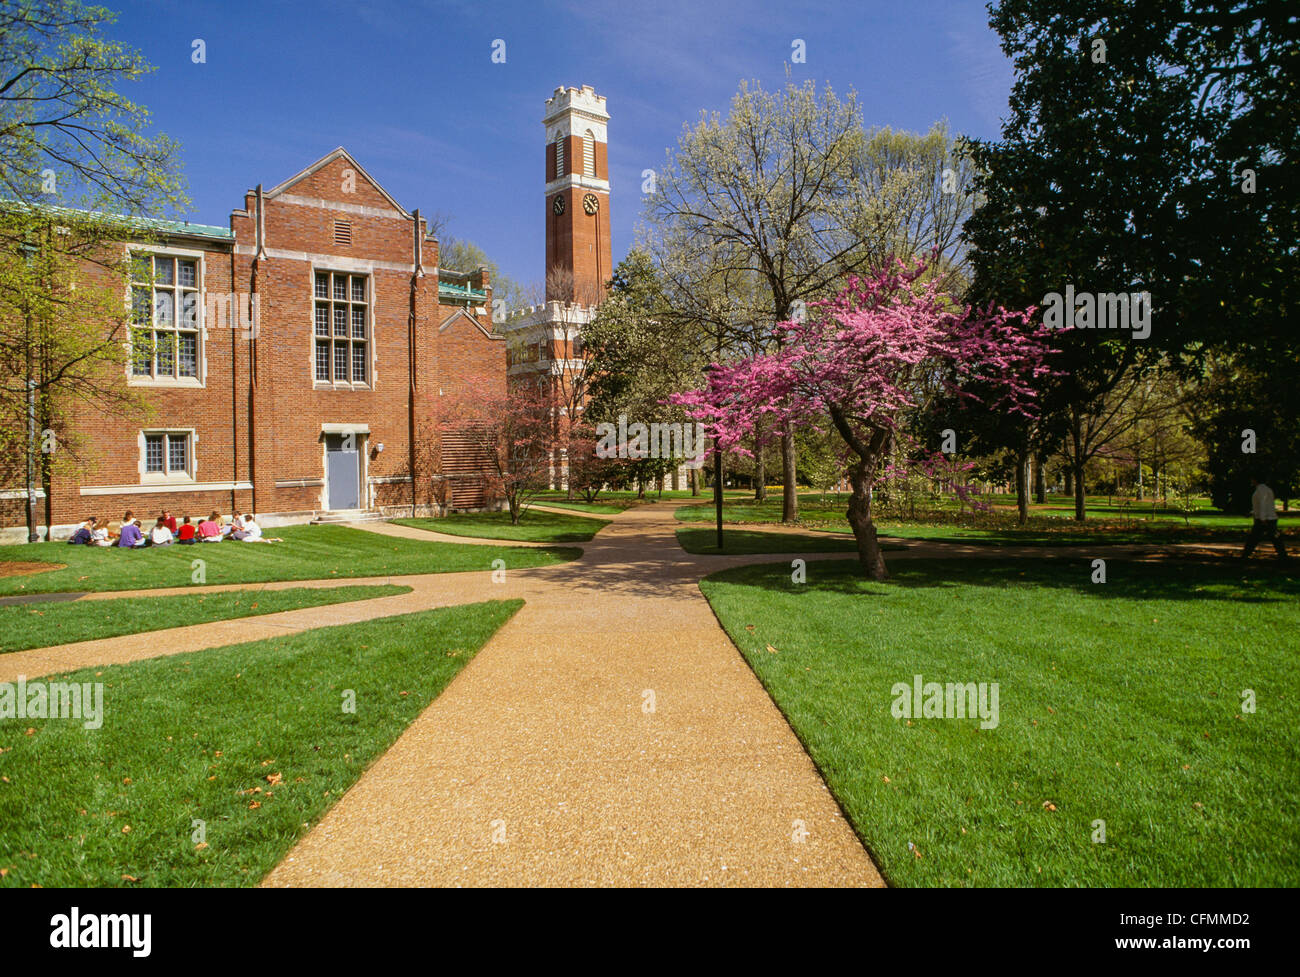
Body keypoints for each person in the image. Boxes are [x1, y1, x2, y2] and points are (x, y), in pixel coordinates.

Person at [1242, 475, 1290, 560]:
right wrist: (1252, 513)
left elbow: (1263, 504)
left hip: (1265, 519)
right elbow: (1263, 505)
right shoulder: (1265, 489)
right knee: (1273, 537)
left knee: (1255, 537)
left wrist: (1263, 518)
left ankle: (1245, 555)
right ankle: (1283, 556)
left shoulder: (1261, 490)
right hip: (1268, 518)